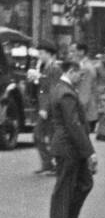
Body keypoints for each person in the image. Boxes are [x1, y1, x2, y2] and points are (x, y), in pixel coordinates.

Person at [47, 56, 98, 218]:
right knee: (65, 186)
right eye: (80, 74)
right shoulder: (66, 93)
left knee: (84, 183)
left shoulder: (60, 89)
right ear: (71, 71)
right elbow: (73, 125)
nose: (82, 78)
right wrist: (89, 152)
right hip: (69, 147)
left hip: (69, 146)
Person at [33, 41, 62, 175]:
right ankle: (48, 164)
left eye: (42, 53)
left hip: (49, 108)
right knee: (43, 136)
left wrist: (45, 108)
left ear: (49, 54)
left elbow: (52, 90)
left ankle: (54, 164)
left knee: (46, 136)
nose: (40, 55)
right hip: (44, 107)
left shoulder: (54, 69)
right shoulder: (45, 67)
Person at [72, 43, 99, 134]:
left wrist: (80, 107)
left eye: (74, 51)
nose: (72, 54)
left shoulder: (86, 68)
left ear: (81, 52)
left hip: (84, 107)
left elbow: (85, 90)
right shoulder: (84, 65)